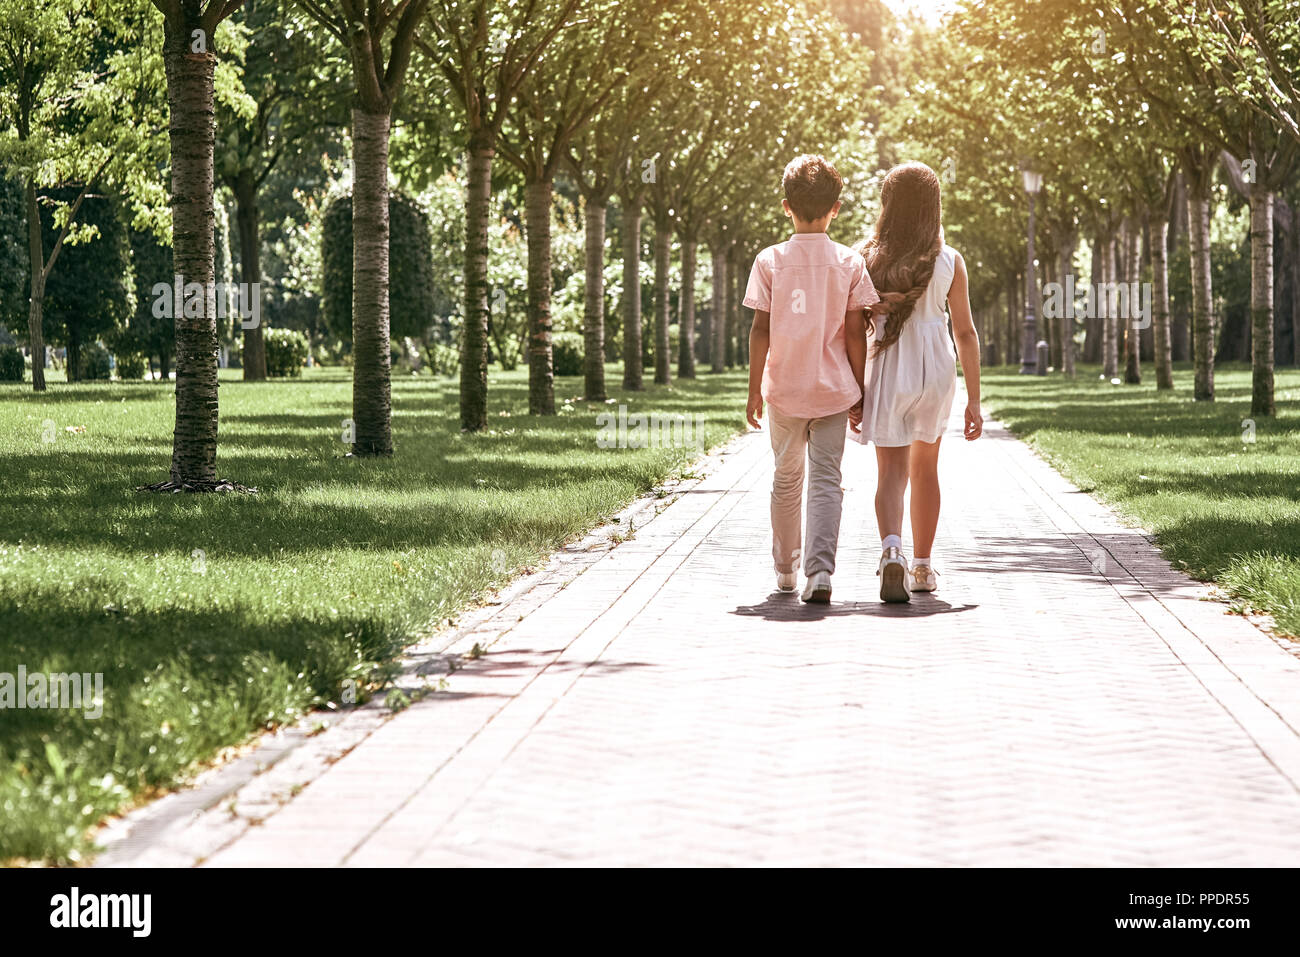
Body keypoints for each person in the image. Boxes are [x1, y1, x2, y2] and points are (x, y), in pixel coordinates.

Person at [848, 161, 984, 603]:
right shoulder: (950, 260)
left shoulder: (865, 258)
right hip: (936, 369)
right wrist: (975, 401)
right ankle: (923, 567)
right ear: (934, 207)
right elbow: (964, 332)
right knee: (926, 469)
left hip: (888, 365)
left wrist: (854, 387)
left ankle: (892, 552)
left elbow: (849, 326)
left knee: (891, 471)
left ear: (888, 205)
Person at [745, 154, 878, 603]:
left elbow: (760, 329)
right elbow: (856, 333)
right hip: (833, 390)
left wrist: (752, 391)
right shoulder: (850, 263)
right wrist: (859, 389)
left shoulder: (769, 261)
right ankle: (819, 572)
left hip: (783, 388)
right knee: (826, 479)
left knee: (786, 477)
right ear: (836, 208)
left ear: (786, 206)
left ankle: (785, 569)